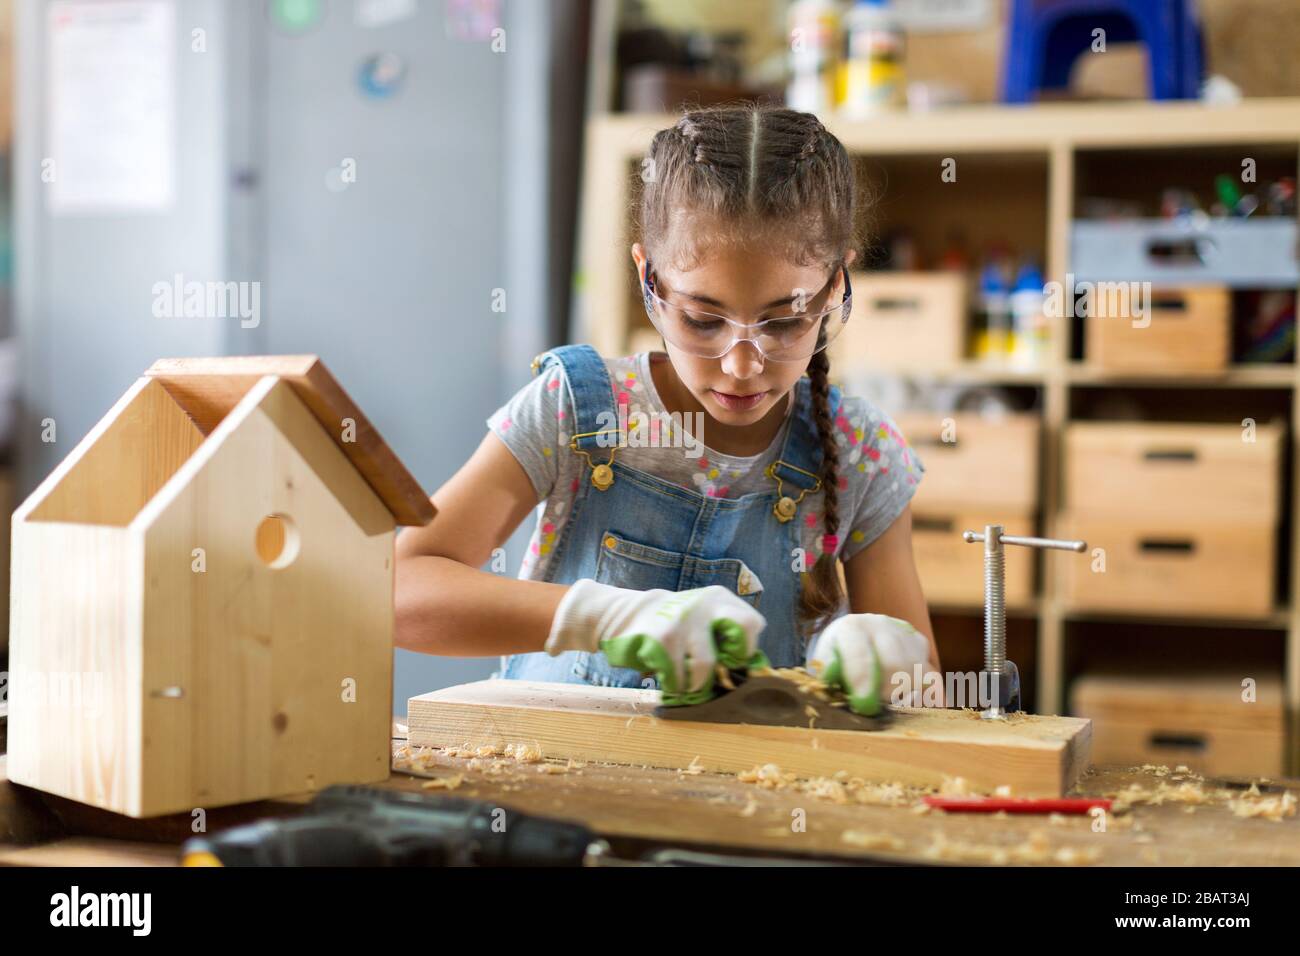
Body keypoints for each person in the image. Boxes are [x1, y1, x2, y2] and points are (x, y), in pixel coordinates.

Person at [396, 104, 942, 714]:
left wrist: (892, 663)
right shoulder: (578, 410)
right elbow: (400, 590)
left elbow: (924, 704)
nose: (741, 365)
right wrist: (602, 616)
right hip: (548, 783)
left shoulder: (858, 450)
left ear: (836, 287)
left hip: (758, 800)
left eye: (784, 322)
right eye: (703, 320)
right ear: (649, 279)